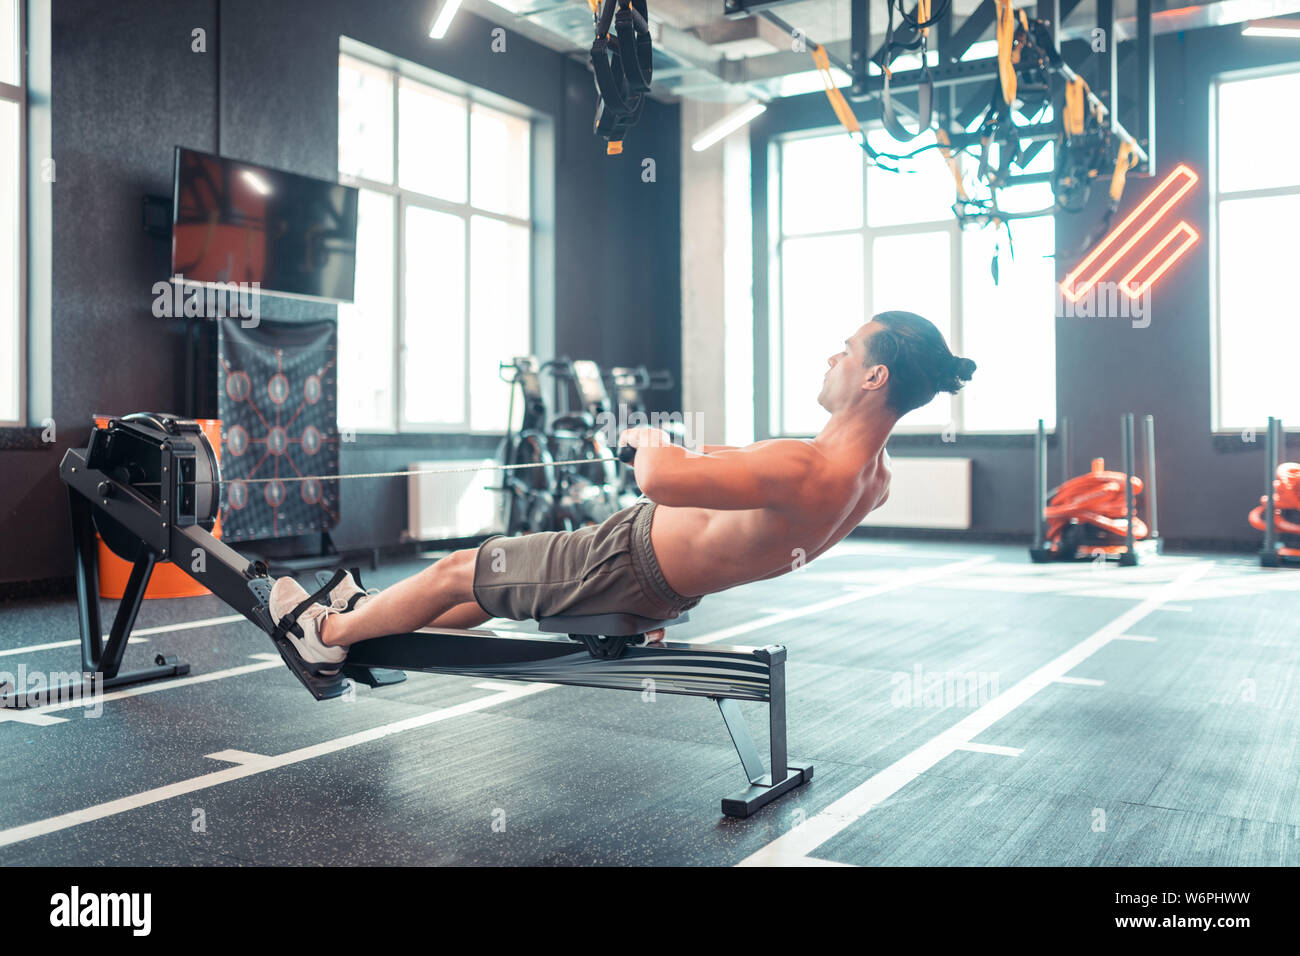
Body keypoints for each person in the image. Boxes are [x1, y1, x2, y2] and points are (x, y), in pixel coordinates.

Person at [270, 311, 976, 671]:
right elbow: (746, 478)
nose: (834, 357)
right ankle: (372, 623)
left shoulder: (805, 465)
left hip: (623, 560)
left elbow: (661, 479)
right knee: (481, 594)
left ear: (874, 379)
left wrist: (648, 441)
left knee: (463, 566)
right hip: (664, 588)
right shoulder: (871, 482)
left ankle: (327, 634)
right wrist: (681, 446)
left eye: (848, 351)